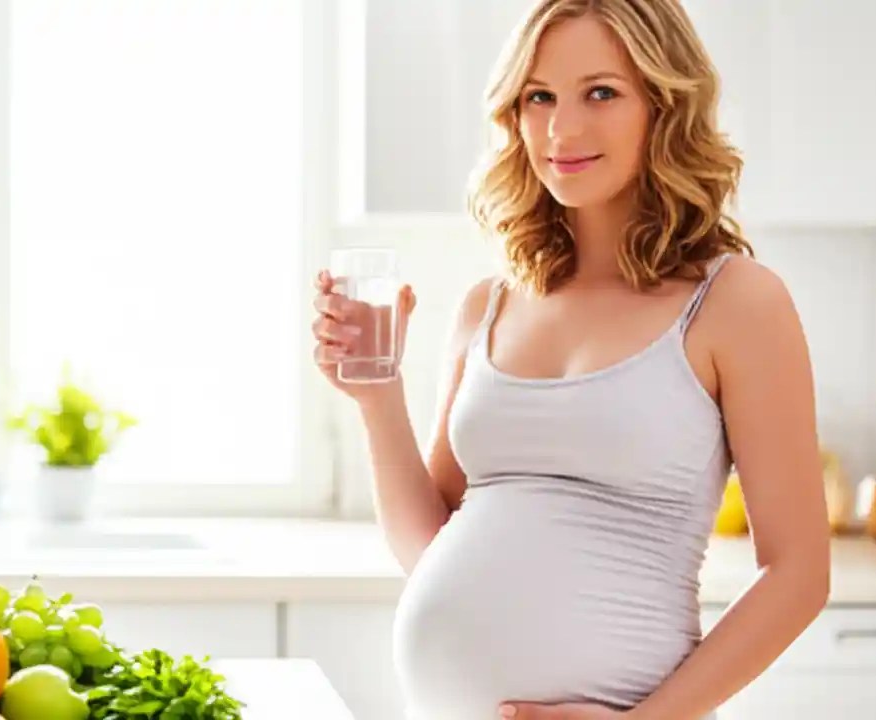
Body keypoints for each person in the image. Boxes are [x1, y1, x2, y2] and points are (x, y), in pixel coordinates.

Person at [310, 0, 831, 718]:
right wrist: (378, 398)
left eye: (602, 93)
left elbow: (799, 574)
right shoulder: (487, 306)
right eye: (539, 96)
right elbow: (429, 549)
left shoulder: (735, 302)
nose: (562, 128)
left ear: (664, 104)